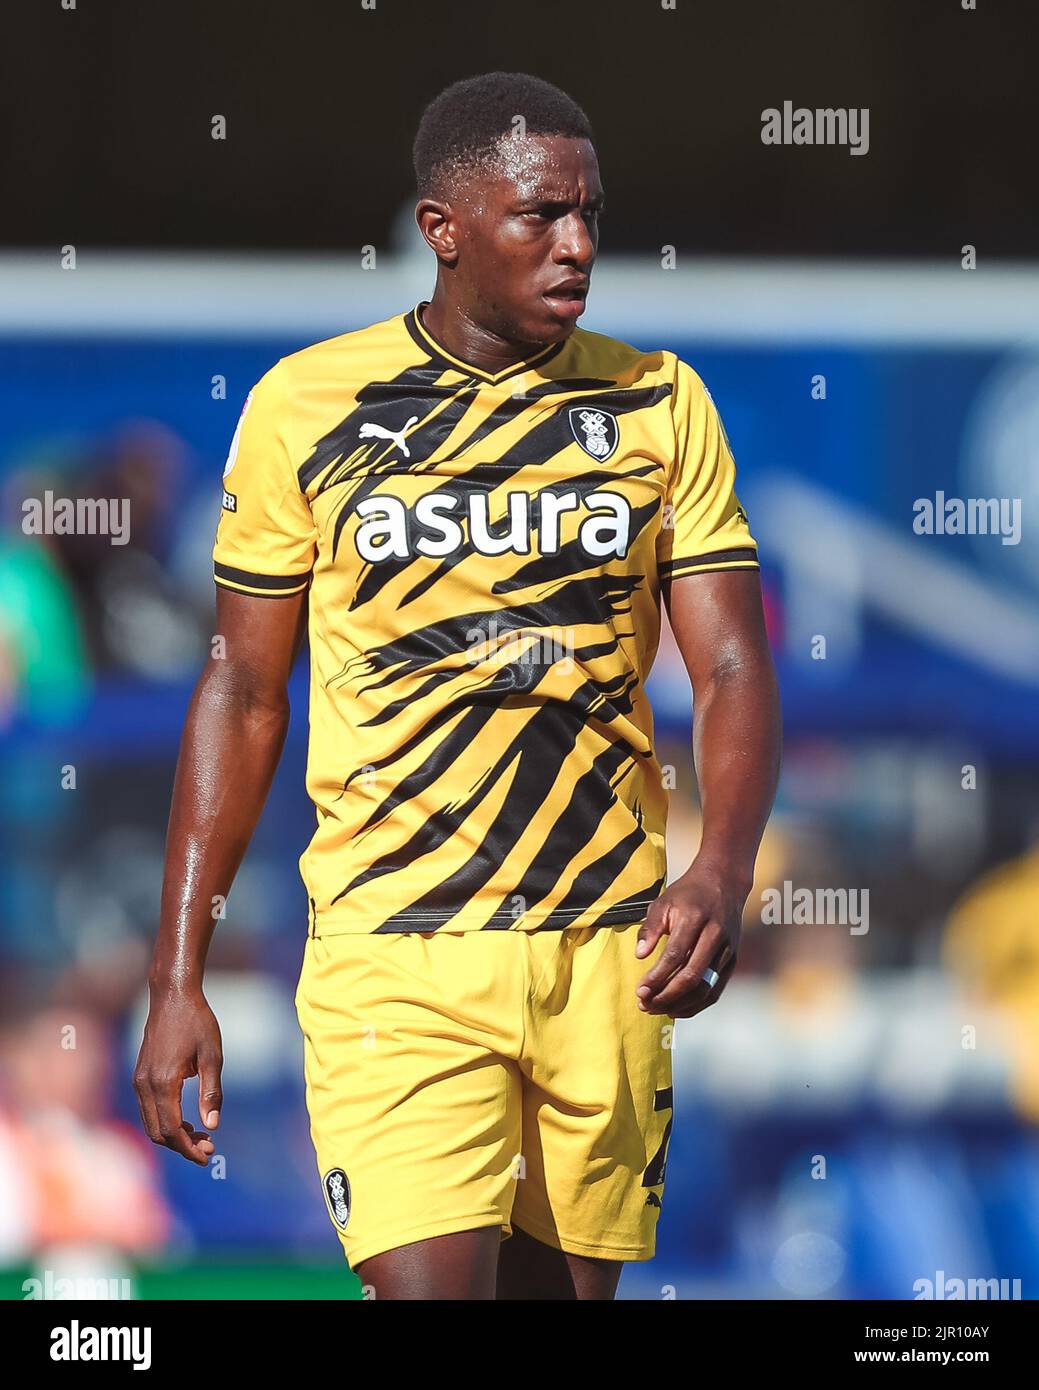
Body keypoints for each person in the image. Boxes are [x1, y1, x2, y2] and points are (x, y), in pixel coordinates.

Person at [133, 71, 781, 1301]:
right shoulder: (305, 407)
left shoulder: (658, 401)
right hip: (396, 948)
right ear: (444, 230)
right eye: (541, 215)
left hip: (606, 949)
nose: (579, 244)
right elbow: (240, 696)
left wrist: (719, 869)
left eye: (590, 212)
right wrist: (177, 976)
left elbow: (736, 664)